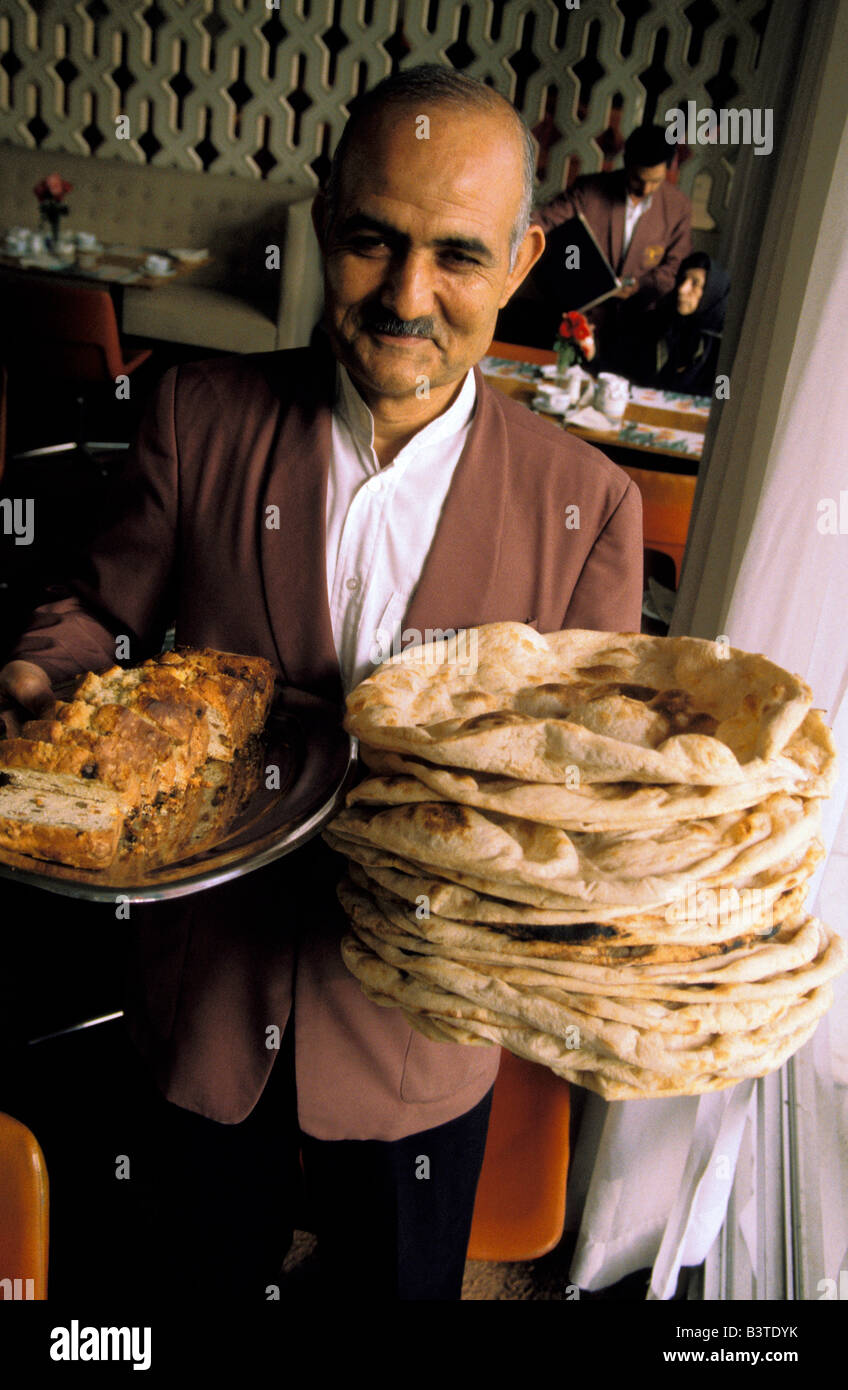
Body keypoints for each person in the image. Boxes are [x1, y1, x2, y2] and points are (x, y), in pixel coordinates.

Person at [0, 65, 644, 1302]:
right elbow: (97, 613)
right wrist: (43, 671)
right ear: (320, 221)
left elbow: (581, 800)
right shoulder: (196, 416)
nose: (407, 297)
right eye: (371, 240)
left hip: (420, 1044)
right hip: (202, 1010)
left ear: (519, 262)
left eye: (457, 256)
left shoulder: (589, 510)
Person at [501, 125, 692, 361]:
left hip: (640, 325)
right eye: (638, 179)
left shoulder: (678, 207)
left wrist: (640, 285)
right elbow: (544, 220)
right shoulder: (589, 190)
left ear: (668, 169)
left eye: (655, 181)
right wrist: (505, 237)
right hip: (582, 322)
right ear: (627, 162)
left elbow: (676, 268)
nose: (645, 189)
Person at [628, 251, 730, 395]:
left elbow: (723, 400)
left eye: (695, 283)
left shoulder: (725, 350)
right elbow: (623, 372)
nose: (682, 289)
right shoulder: (658, 324)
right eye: (682, 280)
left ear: (713, 291)